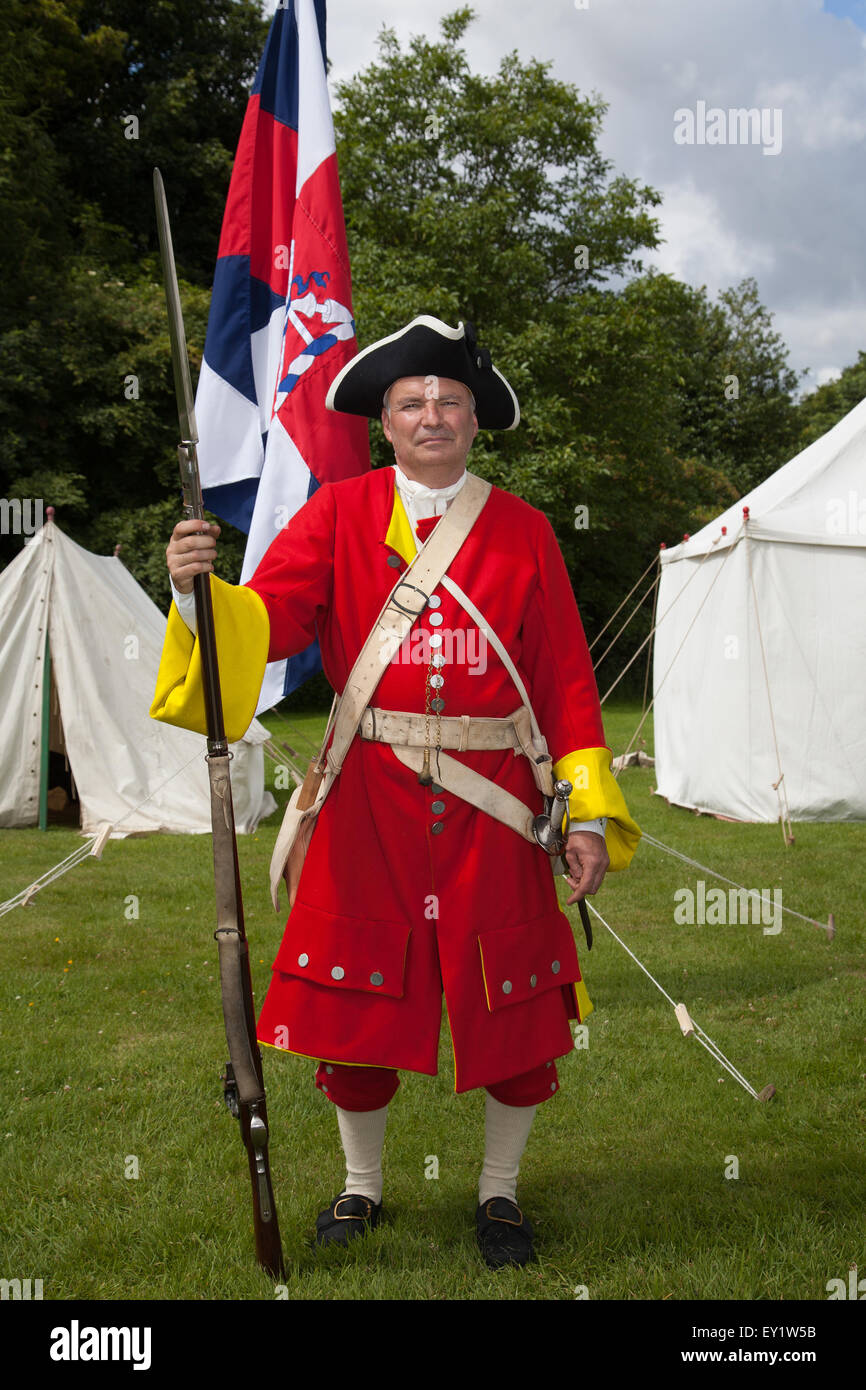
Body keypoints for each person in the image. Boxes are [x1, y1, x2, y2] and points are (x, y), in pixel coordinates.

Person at [153, 314, 640, 1269]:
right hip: (368, 798)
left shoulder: (527, 530)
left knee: (516, 1000)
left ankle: (499, 1196)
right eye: (412, 403)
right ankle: (361, 1187)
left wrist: (585, 812)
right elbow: (270, 620)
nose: (431, 417)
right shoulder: (337, 514)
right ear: (386, 420)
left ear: (473, 421)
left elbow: (565, 681)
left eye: (449, 402)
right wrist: (193, 596)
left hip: (496, 796)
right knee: (358, 1000)